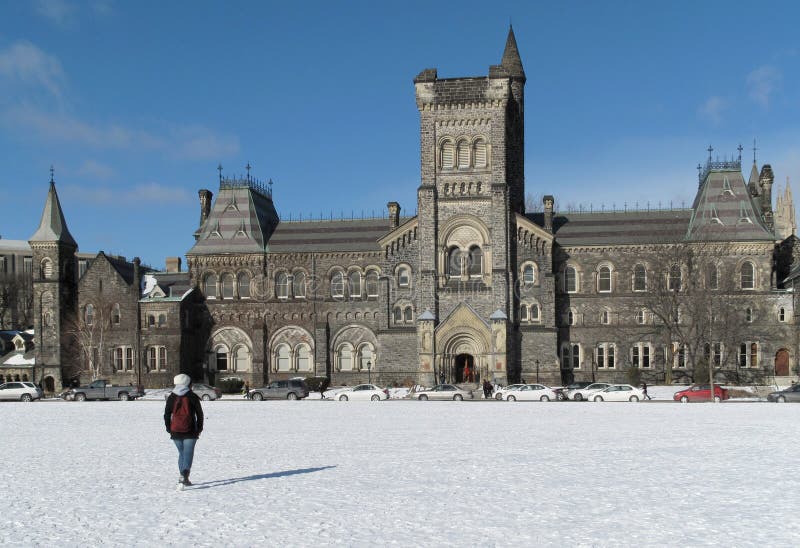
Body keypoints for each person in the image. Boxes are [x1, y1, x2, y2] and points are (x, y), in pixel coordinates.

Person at [164, 374, 204, 487]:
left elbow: (167, 414)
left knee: (182, 453)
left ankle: (182, 475)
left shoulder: (171, 397)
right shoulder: (192, 396)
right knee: (187, 454)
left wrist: (169, 428)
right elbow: (199, 414)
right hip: (190, 430)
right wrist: (200, 427)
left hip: (175, 430)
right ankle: (184, 476)